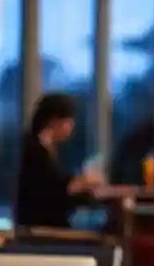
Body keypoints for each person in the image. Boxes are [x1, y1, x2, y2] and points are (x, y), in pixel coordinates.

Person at [15, 93, 103, 229]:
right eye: (69, 121)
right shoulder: (35, 151)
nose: (72, 126)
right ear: (54, 121)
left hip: (46, 225)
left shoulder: (45, 149)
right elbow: (48, 194)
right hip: (39, 229)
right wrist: (79, 183)